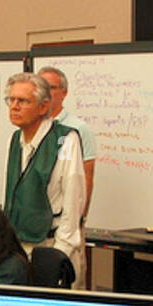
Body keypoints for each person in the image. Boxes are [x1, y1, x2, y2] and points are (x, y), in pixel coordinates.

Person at [1, 73, 85, 280]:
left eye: (23, 101)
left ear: (43, 106)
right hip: (19, 247)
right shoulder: (15, 139)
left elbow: (74, 199)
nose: (14, 106)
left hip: (52, 245)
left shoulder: (65, 140)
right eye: (11, 100)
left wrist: (60, 253)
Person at [36, 67, 98, 222]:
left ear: (64, 93)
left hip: (63, 220)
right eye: (41, 87)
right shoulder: (30, 126)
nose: (46, 92)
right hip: (32, 219)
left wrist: (80, 218)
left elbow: (86, 177)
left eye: (51, 87)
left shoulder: (77, 129)